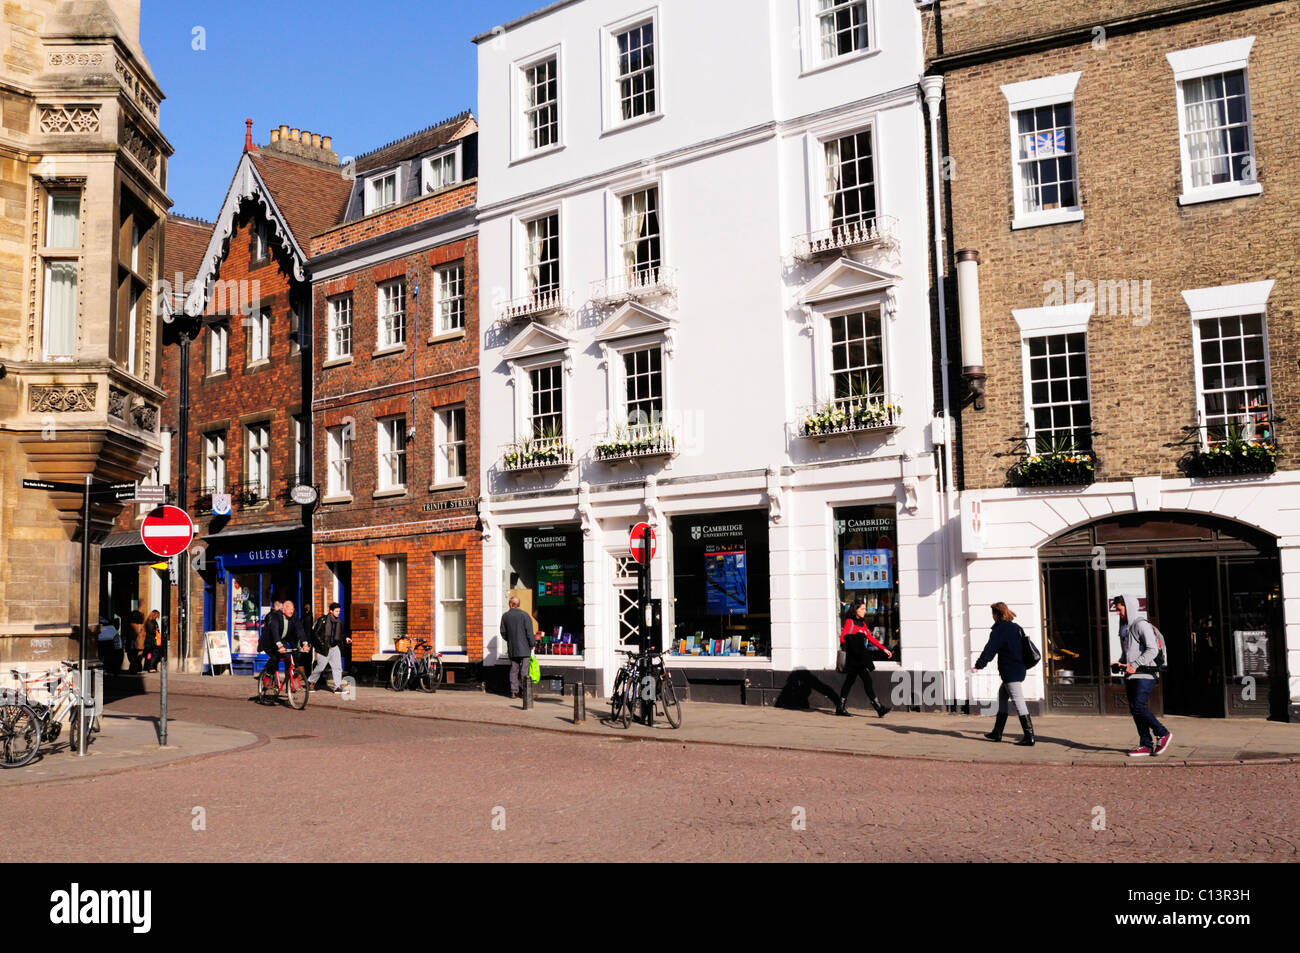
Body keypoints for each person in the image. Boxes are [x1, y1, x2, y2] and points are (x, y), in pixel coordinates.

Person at [1113, 594, 1171, 757]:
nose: (1118, 613)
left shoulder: (1141, 625)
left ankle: (1163, 733)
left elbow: (1152, 649)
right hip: (1132, 674)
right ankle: (1145, 744)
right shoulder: (1124, 627)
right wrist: (1120, 662)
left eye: (1119, 610)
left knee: (1138, 706)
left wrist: (1135, 665)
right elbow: (1128, 653)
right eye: (1116, 610)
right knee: (1135, 709)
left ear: (1128, 607)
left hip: (1146, 673)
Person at [973, 602, 1034, 746]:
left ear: (997, 614)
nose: (992, 617)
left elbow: (990, 649)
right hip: (1019, 668)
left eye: (992, 614)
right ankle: (997, 732)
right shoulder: (1016, 627)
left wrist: (979, 665)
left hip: (1010, 671)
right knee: (1002, 696)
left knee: (1018, 702)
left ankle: (1029, 736)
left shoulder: (1000, 629)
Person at [836, 599, 892, 717]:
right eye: (862, 609)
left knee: (850, 682)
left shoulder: (862, 623)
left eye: (865, 609)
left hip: (859, 658)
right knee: (866, 681)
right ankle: (878, 708)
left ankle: (840, 707)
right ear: (855, 610)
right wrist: (855, 638)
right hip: (853, 658)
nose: (865, 611)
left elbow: (871, 638)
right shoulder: (850, 622)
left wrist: (884, 649)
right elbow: (842, 638)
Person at [308, 602, 350, 693]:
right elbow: (315, 633)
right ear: (331, 611)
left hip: (334, 647)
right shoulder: (323, 620)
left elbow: (340, 634)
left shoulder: (339, 621)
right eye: (336, 611)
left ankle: (337, 687)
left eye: (339, 611)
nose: (338, 613)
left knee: (337, 668)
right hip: (324, 648)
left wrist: (345, 638)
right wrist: (322, 644)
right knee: (320, 668)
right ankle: (311, 682)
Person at [499, 596, 536, 699]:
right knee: (524, 671)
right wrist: (532, 644)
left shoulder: (505, 616)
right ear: (518, 604)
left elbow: (503, 632)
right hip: (525, 649)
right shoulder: (525, 615)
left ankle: (514, 692)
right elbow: (529, 632)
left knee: (513, 670)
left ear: (511, 604)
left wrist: (510, 641)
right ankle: (525, 692)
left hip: (513, 648)